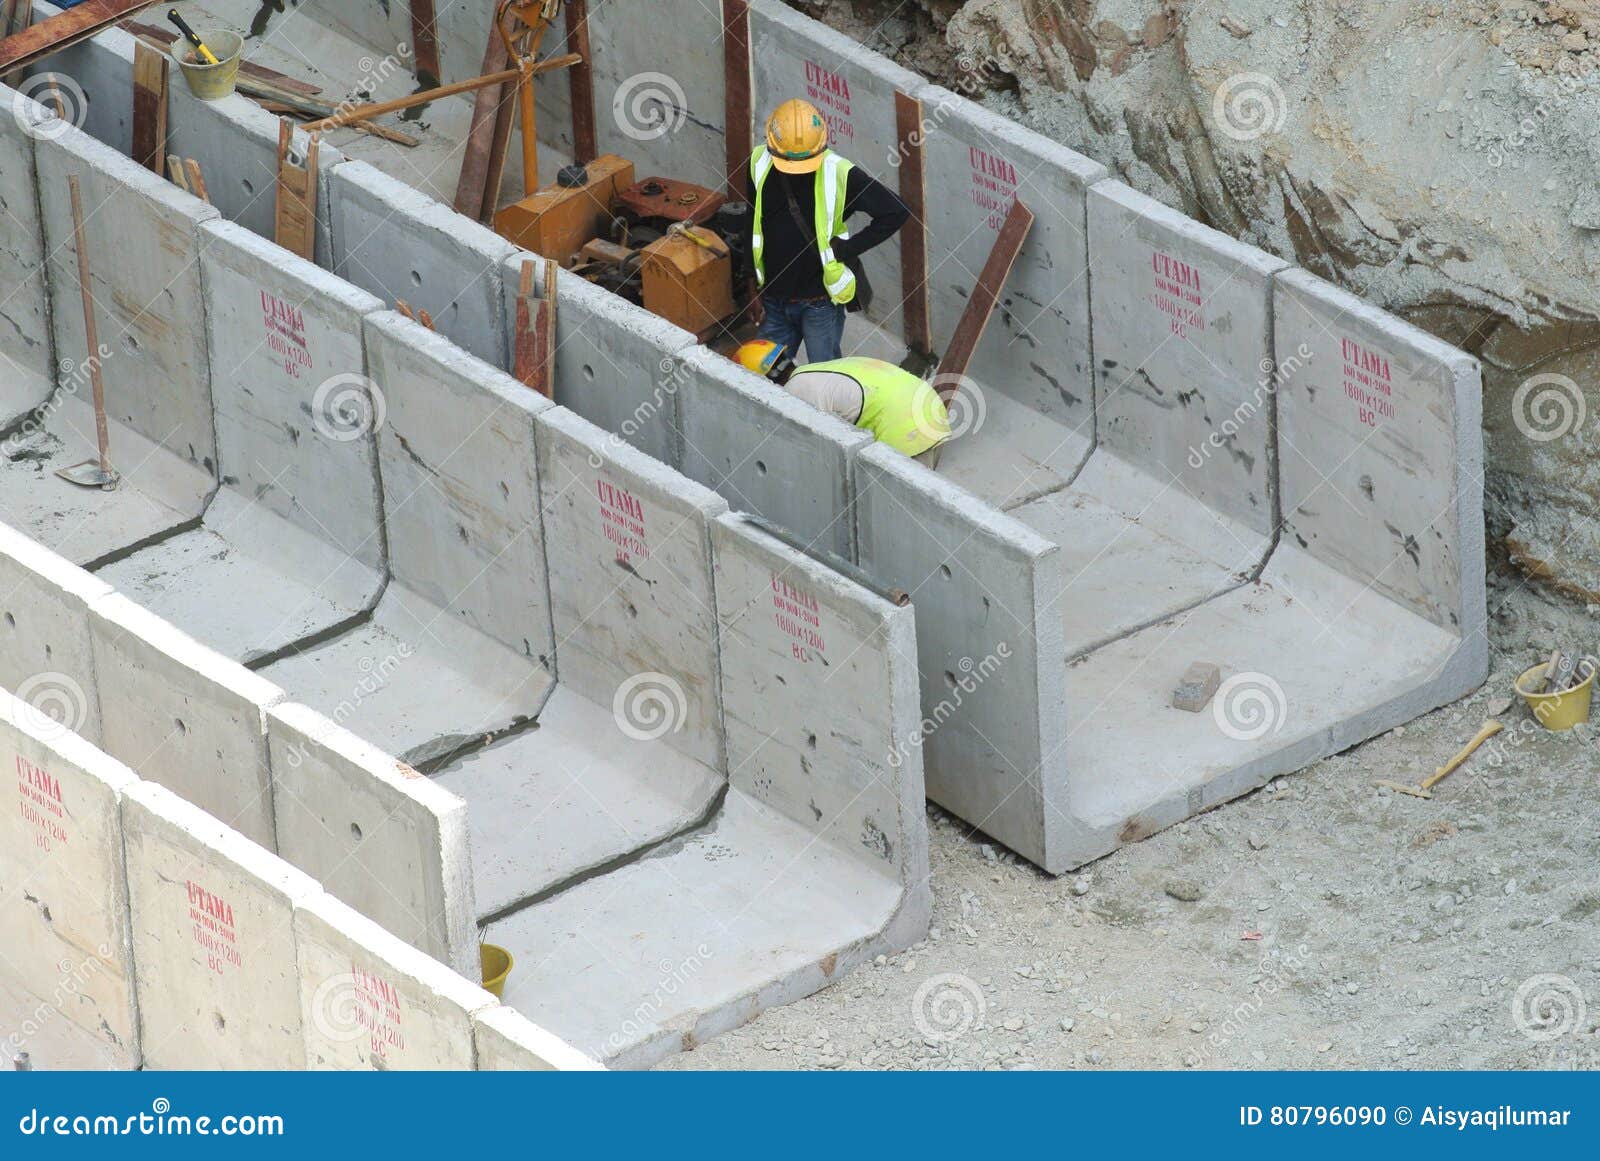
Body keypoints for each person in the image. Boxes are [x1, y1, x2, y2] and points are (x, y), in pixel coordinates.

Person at [746, 98, 909, 363]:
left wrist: (846, 249)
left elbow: (896, 211)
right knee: (764, 376)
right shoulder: (758, 163)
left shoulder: (840, 173)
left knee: (825, 375)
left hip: (818, 302)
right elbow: (750, 223)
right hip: (773, 298)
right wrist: (751, 288)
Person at [735, 340, 950, 467]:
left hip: (907, 430)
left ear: (764, 381)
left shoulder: (798, 390)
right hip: (931, 410)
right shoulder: (817, 372)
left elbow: (820, 452)